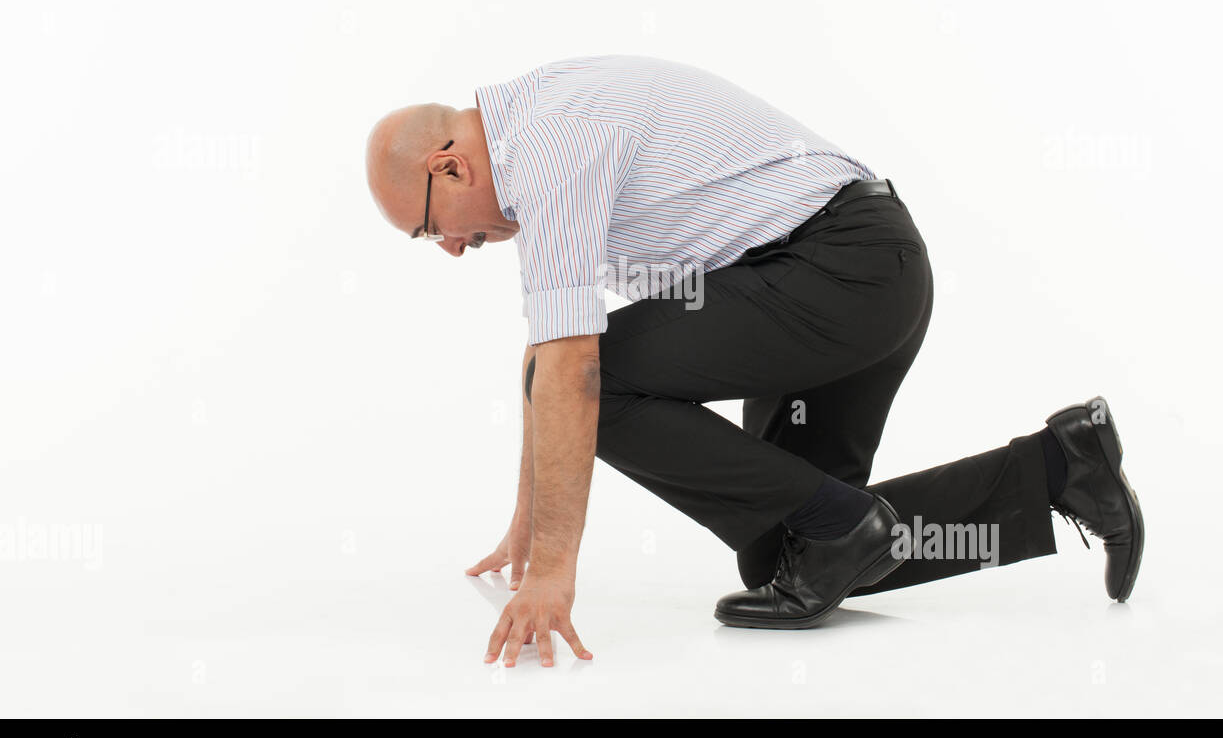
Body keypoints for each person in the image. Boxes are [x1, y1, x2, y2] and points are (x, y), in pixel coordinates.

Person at [364, 55, 1144, 668]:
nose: (456, 250)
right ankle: (1064, 469)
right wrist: (529, 525)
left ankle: (842, 523)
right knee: (791, 556)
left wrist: (552, 574)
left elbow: (568, 373)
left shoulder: (546, 144)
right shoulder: (534, 121)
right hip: (846, 274)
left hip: (842, 267)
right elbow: (548, 356)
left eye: (433, 232)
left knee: (598, 381)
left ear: (449, 168)